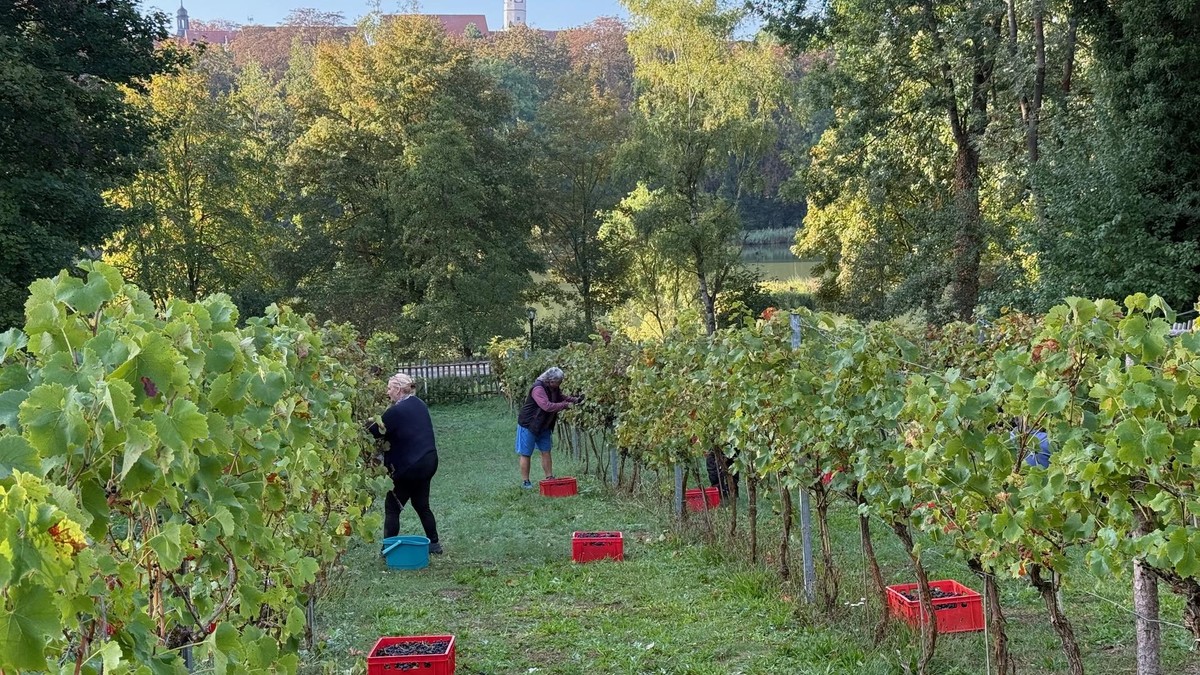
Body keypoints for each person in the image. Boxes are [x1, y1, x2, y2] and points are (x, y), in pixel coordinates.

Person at [368, 373, 443, 555]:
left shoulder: (395, 412)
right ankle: (434, 544)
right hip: (428, 461)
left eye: (389, 388)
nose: (387, 392)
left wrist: (366, 422)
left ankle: (388, 549)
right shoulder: (419, 404)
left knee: (392, 508)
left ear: (398, 389)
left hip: (408, 467)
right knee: (421, 504)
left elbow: (373, 432)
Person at [515, 366, 581, 489]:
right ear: (551, 380)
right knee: (526, 453)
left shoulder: (553, 387)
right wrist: (566, 405)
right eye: (559, 381)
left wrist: (575, 400)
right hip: (529, 424)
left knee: (546, 451)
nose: (560, 383)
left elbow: (560, 397)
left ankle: (549, 477)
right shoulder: (538, 388)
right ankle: (526, 482)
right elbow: (546, 406)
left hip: (544, 425)